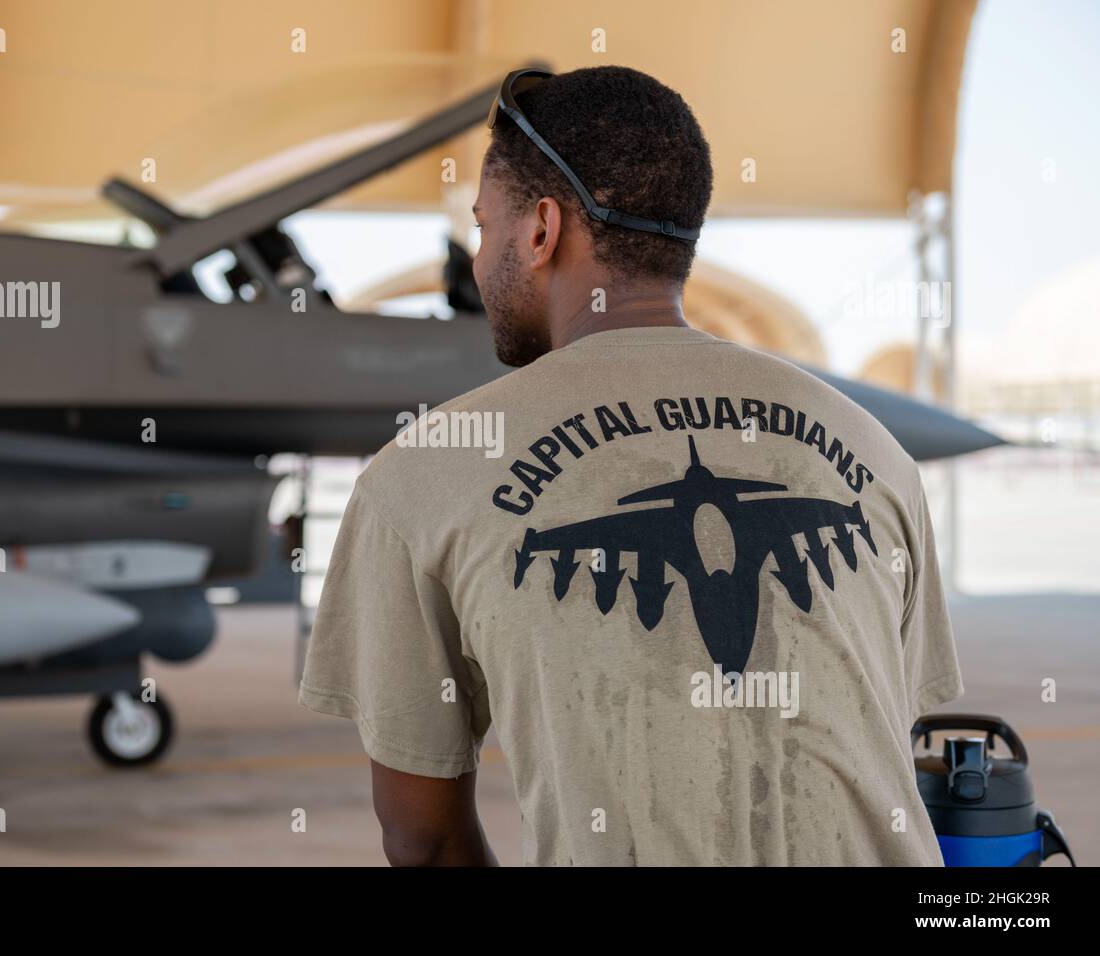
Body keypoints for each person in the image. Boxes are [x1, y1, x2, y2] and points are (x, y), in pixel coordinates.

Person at [297, 65, 964, 866]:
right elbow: (889, 747)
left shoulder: (421, 475)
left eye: (483, 227)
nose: (477, 261)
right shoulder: (872, 449)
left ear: (540, 230)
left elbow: (425, 838)